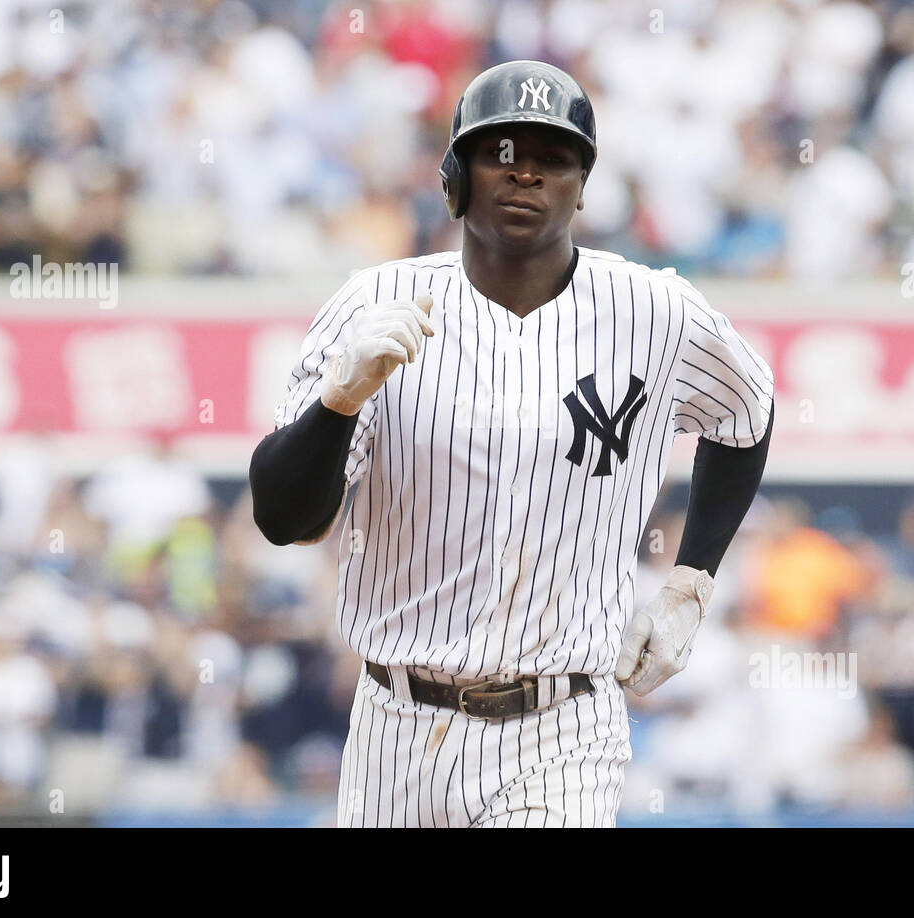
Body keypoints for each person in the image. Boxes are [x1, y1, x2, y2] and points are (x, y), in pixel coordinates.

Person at [249, 61, 774, 827]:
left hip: (561, 728)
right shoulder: (372, 304)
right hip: (394, 726)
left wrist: (691, 580)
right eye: (499, 152)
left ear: (583, 185)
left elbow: (746, 418)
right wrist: (338, 401)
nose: (525, 173)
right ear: (455, 177)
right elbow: (282, 518)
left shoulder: (656, 311)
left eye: (552, 157)